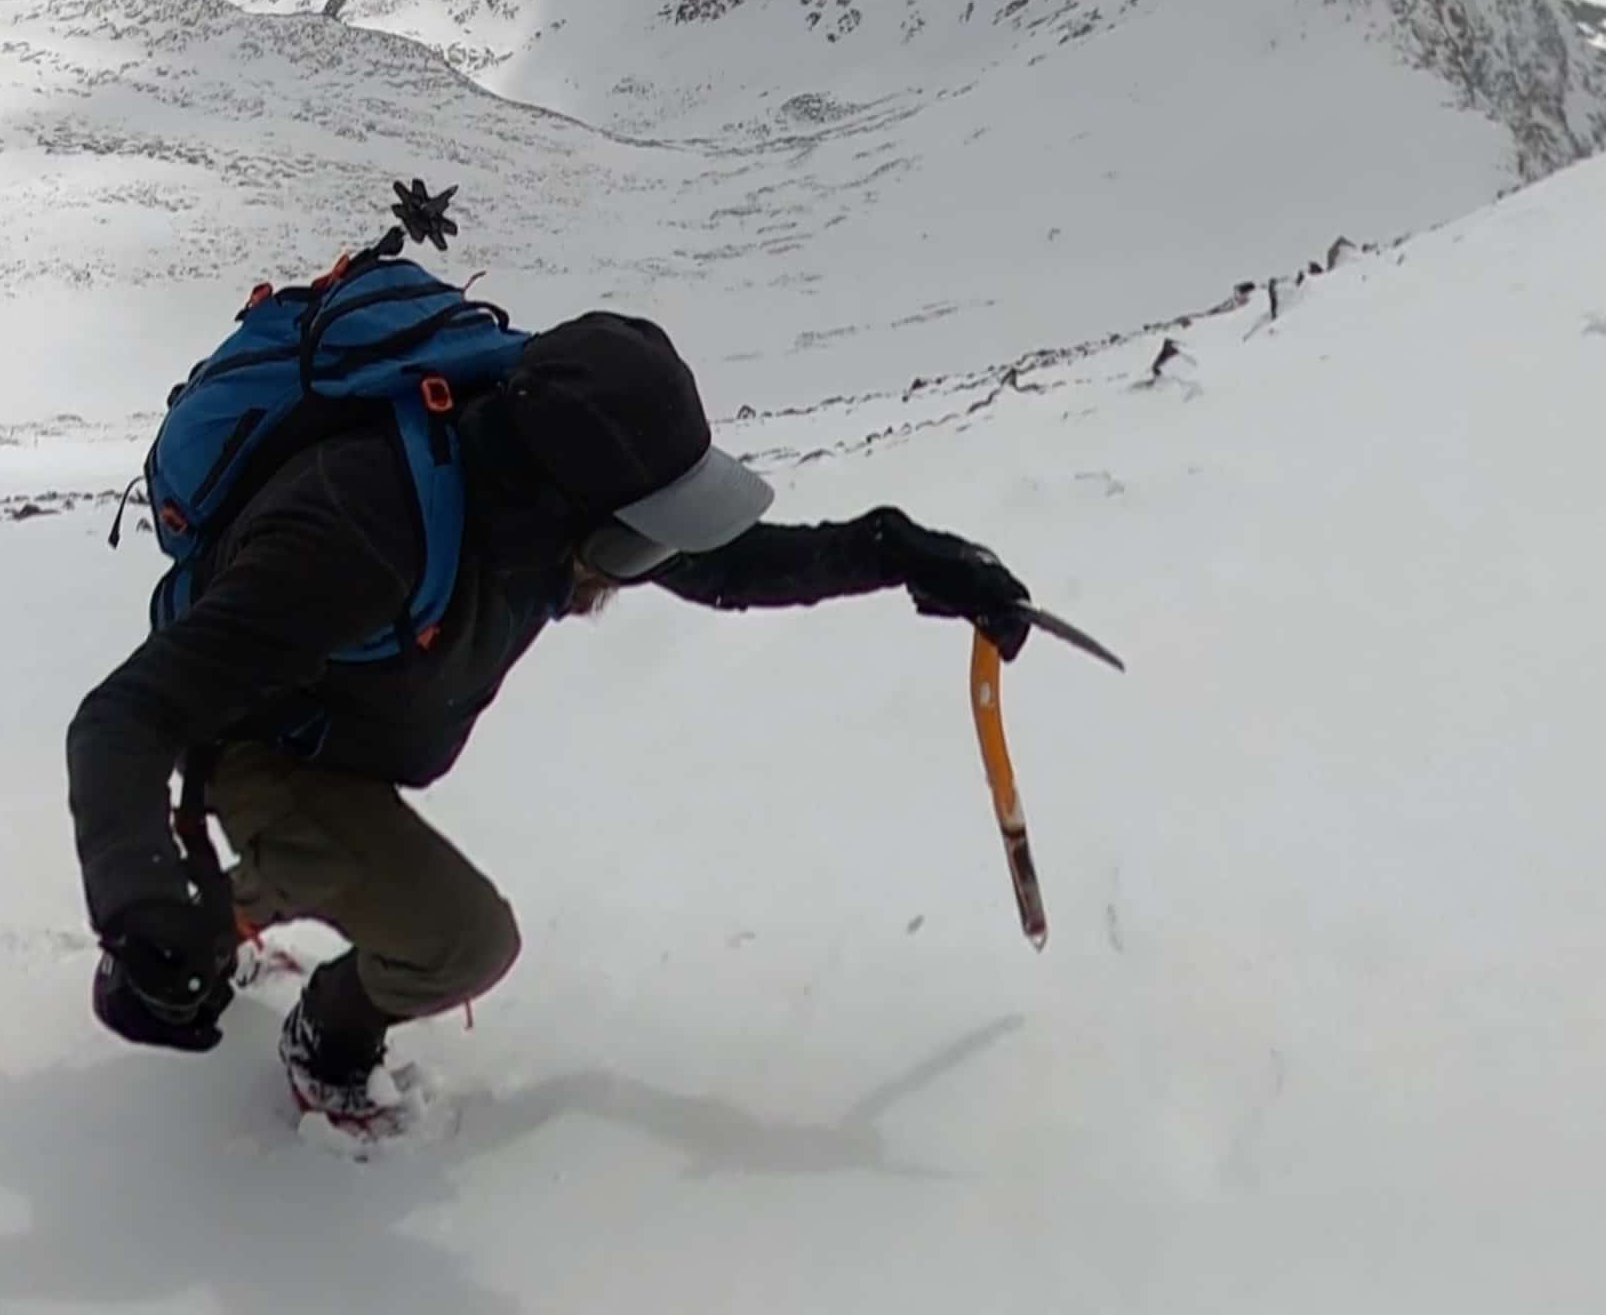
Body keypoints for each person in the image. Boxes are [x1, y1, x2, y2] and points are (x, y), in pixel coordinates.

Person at [65, 311, 1045, 1133]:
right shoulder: (353, 536)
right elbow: (124, 717)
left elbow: (730, 565)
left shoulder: (540, 480)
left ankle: (245, 900)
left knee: (351, 854)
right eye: (634, 544)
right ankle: (324, 1039)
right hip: (263, 744)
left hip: (350, 732)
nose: (647, 563)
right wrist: (137, 894)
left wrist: (898, 552)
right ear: (552, 506)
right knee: (463, 940)